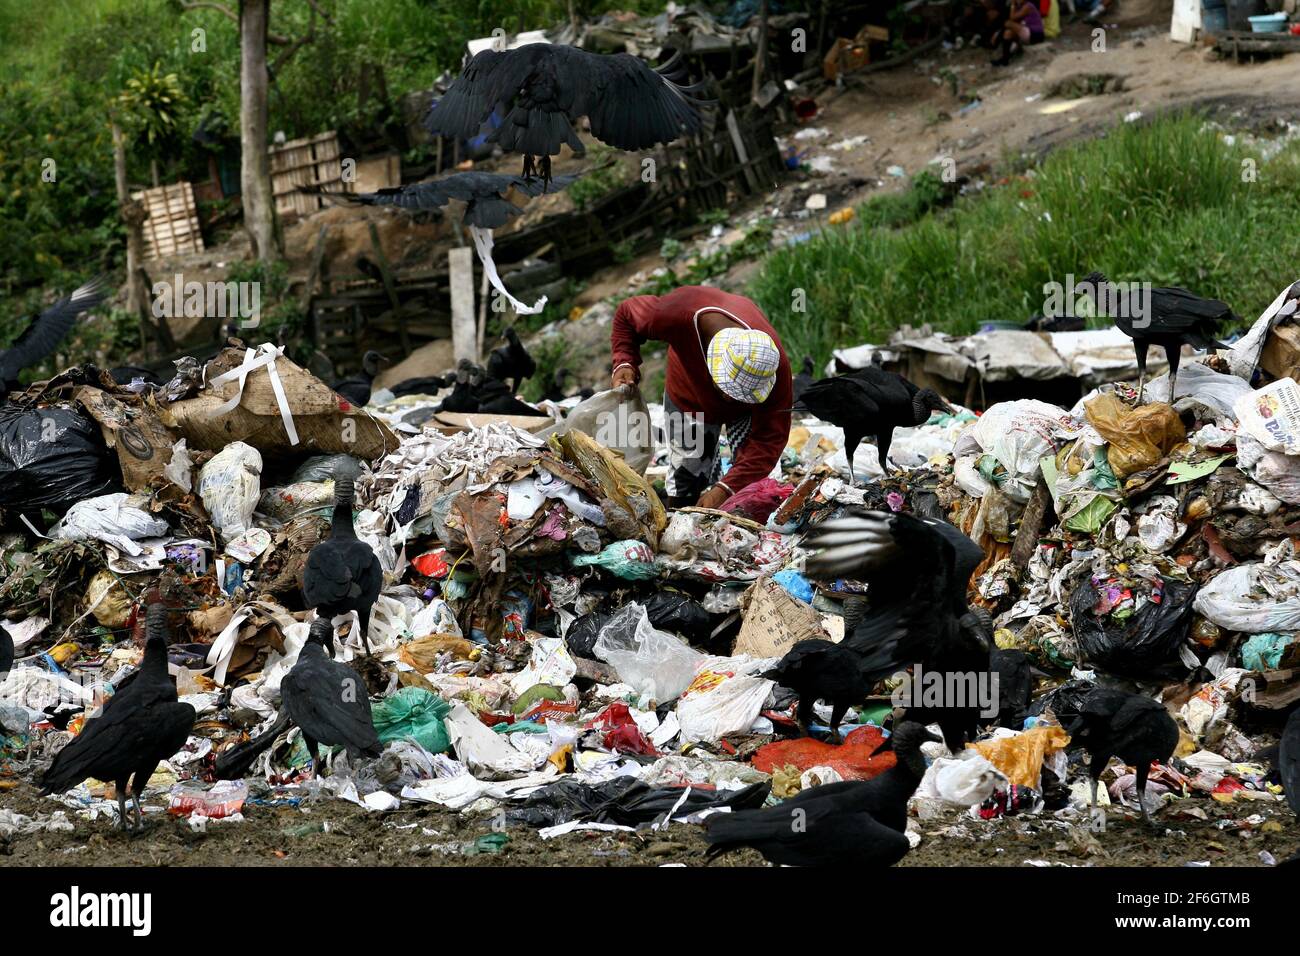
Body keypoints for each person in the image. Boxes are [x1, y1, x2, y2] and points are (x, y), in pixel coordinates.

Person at [610, 286, 792, 510]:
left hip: (747, 413)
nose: (728, 398)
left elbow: (769, 440)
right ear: (712, 359)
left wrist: (725, 489)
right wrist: (625, 362)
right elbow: (626, 314)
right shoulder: (677, 314)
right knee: (687, 476)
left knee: (755, 491)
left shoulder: (772, 368)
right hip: (689, 397)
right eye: (726, 386)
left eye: (738, 393)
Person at [994, 0, 1046, 65]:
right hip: (1027, 33)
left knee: (1008, 23)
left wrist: (1013, 5)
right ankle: (1005, 59)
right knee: (1008, 33)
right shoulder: (1020, 7)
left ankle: (996, 40)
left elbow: (1012, 18)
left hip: (1036, 34)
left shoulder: (1028, 6)